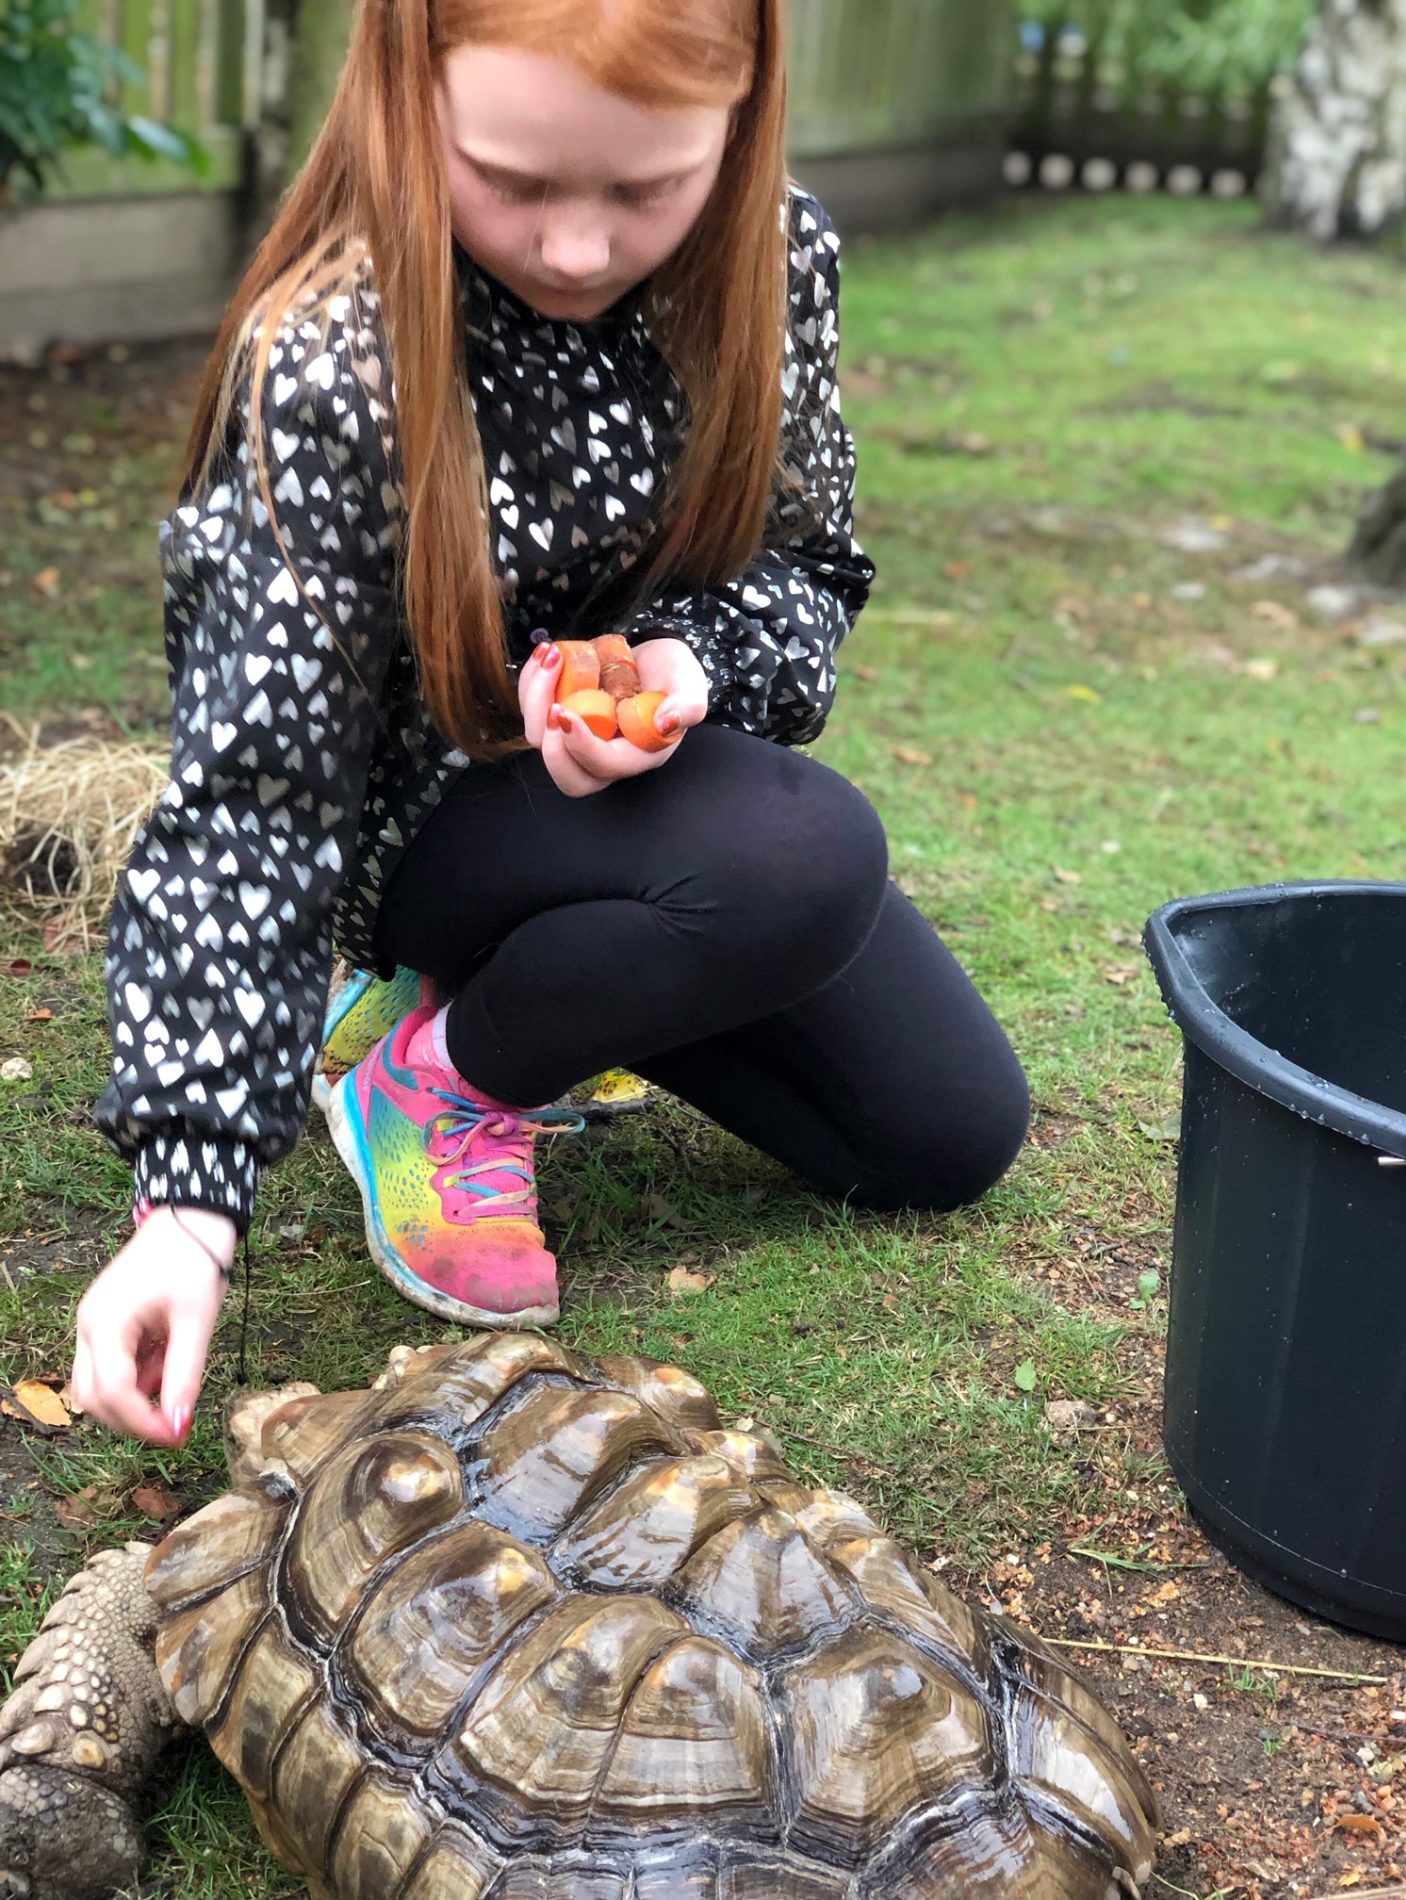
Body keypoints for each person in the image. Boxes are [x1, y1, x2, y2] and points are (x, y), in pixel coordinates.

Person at [72, 0, 1031, 1446]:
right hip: (408, 823)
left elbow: (809, 567)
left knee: (944, 1131)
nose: (577, 248)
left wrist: (688, 666)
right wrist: (188, 1210)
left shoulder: (773, 257)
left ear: (744, 110)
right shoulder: (331, 352)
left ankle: (477, 1014)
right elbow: (253, 802)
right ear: (410, 98)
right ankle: (434, 1084)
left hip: (638, 806)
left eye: (646, 188)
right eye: (513, 182)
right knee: (802, 853)